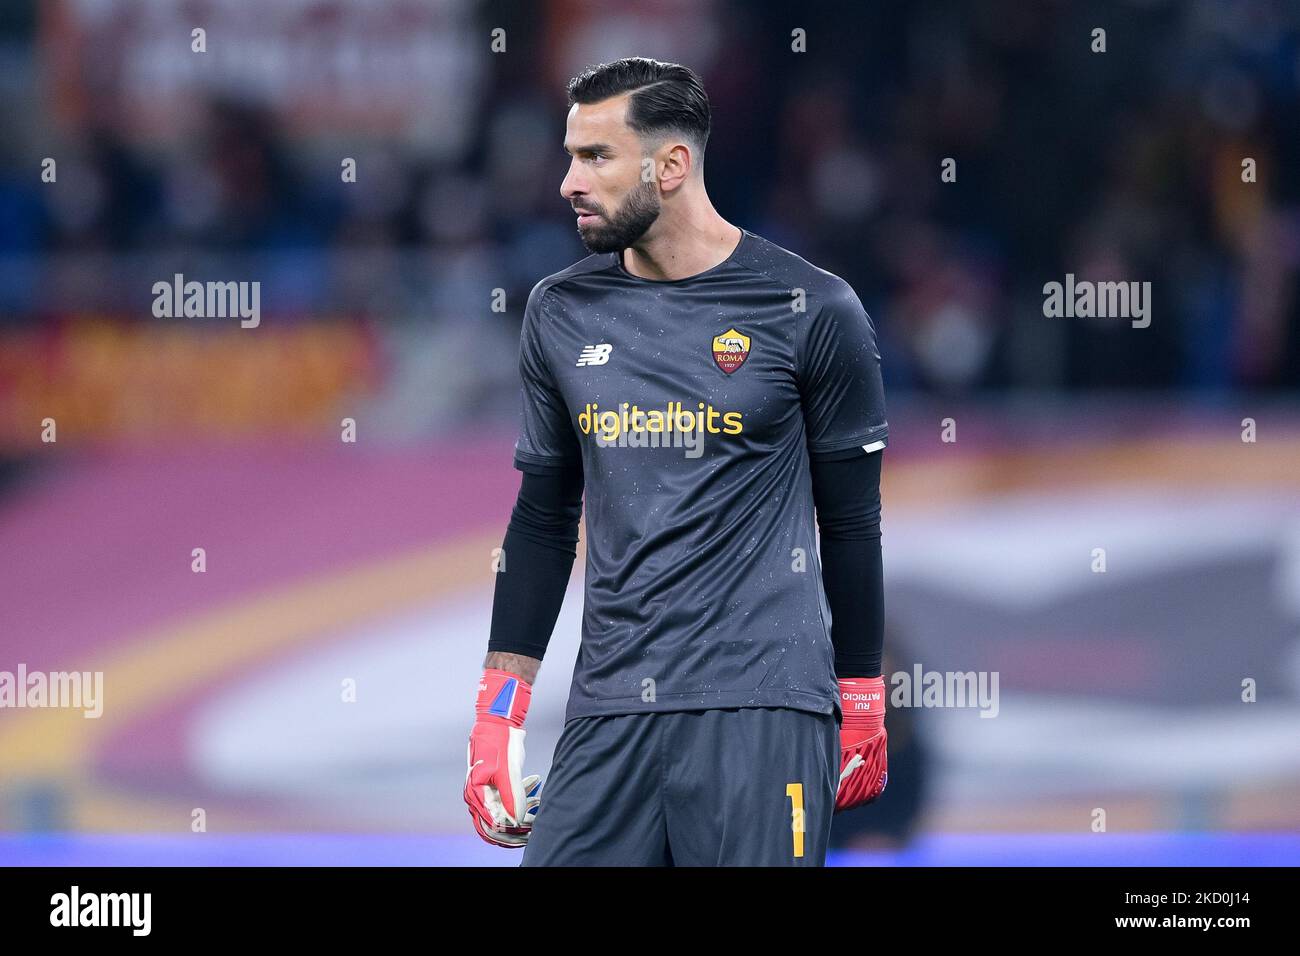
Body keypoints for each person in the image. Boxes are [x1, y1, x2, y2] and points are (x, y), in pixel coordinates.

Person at [464, 57, 888, 866]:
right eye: (569, 154)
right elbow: (543, 522)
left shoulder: (812, 309)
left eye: (595, 157)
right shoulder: (560, 311)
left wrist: (861, 694)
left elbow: (852, 520)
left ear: (671, 166)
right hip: (608, 713)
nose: (567, 182)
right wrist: (499, 713)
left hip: (762, 709)